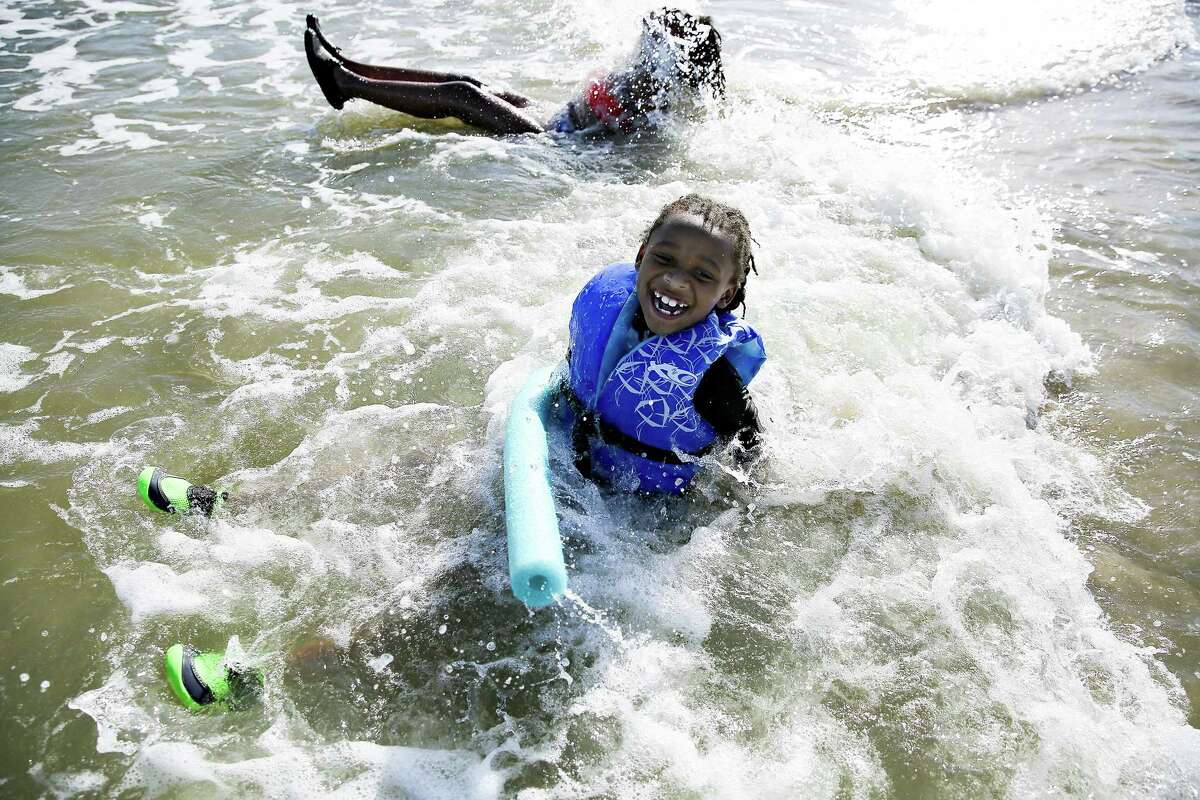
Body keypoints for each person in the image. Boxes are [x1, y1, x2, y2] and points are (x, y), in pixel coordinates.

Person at [563, 194, 765, 494]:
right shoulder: (606, 304)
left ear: (725, 294)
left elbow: (752, 447)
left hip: (661, 503)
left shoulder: (711, 377)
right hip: (575, 456)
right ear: (642, 256)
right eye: (665, 259)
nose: (675, 281)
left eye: (702, 274)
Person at [303, 9, 726, 136]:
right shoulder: (646, 64)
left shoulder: (656, 91)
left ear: (679, 50)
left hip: (558, 144)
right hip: (556, 116)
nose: (663, 20)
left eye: (674, 25)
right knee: (469, 84)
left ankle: (345, 84)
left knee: (462, 97)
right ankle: (350, 66)